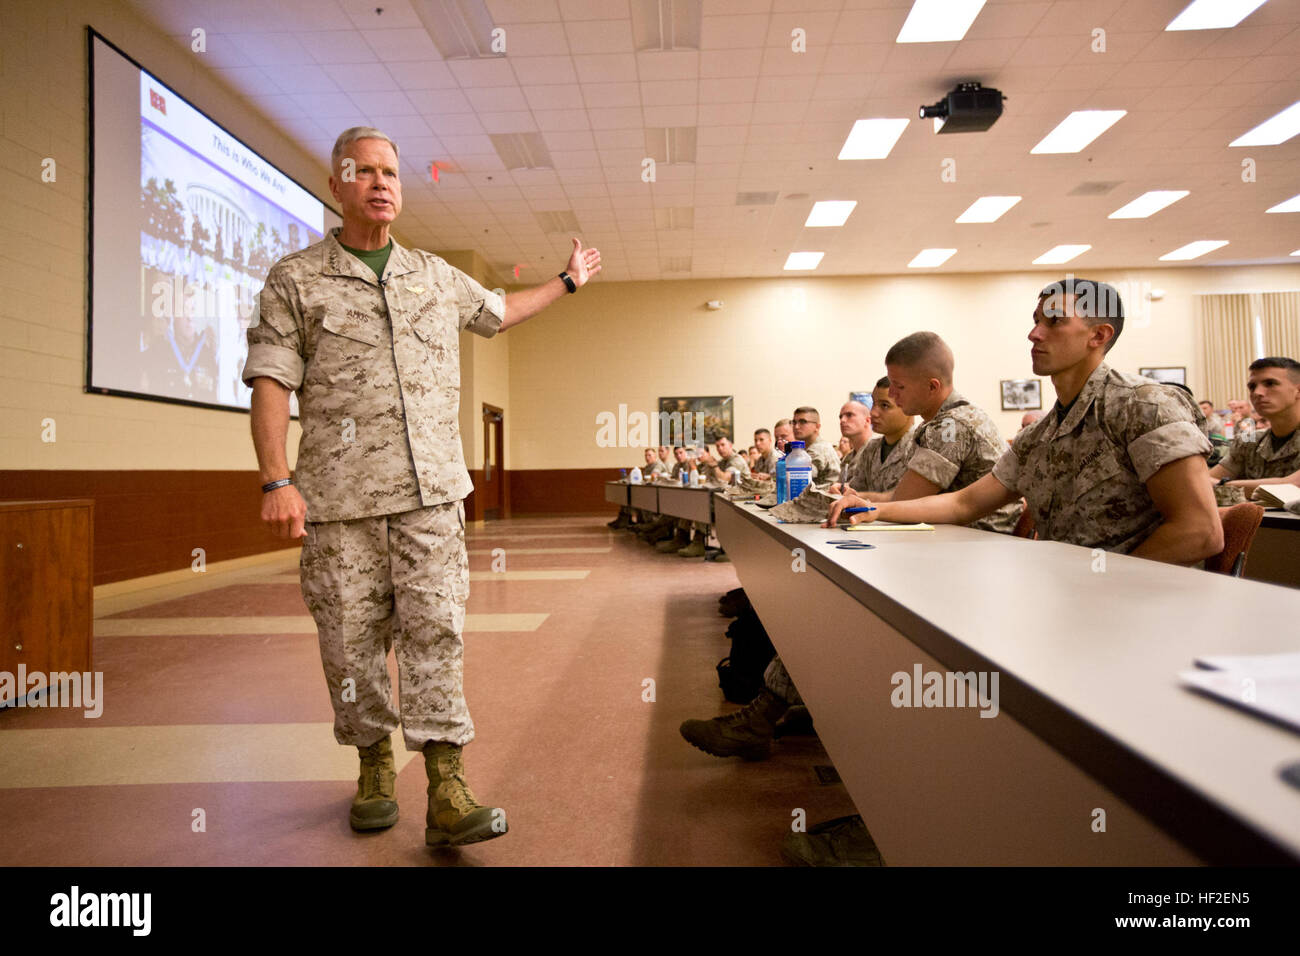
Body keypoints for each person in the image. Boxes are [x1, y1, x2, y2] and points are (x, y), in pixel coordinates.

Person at [243, 126, 602, 849]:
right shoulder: (296, 279)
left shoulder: (435, 276)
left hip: (432, 497)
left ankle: (446, 783)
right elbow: (272, 379)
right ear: (338, 182)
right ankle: (375, 764)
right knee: (350, 644)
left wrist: (566, 283)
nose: (382, 183)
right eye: (366, 171)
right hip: (340, 504)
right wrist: (276, 478)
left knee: (436, 633)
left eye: (392, 173)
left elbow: (499, 313)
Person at [826, 279, 1222, 565]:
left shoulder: (1145, 405)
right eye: (1035, 320)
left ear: (1098, 335)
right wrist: (877, 511)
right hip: (1067, 597)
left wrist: (1104, 586)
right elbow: (965, 503)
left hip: (1140, 608)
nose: (1034, 333)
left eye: (1053, 322)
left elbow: (1200, 531)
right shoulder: (1041, 435)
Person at [851, 332, 1022, 534]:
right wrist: (859, 498)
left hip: (982, 540)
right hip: (963, 537)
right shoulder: (944, 420)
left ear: (932, 386)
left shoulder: (951, 425)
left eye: (899, 386)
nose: (892, 394)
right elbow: (902, 498)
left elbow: (905, 501)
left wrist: (868, 506)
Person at [1207, 357, 1300, 497]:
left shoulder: (1247, 427)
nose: (1257, 392)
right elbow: (1204, 482)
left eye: (1270, 383)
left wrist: (1220, 486)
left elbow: (1291, 487)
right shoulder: (1248, 440)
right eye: (1252, 387)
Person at [836, 377, 917, 494]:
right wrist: (842, 490)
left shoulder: (920, 446)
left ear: (909, 407)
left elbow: (906, 500)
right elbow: (857, 488)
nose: (873, 412)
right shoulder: (871, 448)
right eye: (873, 404)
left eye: (885, 405)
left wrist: (858, 496)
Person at [791, 406, 841, 486]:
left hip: (825, 496)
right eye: (794, 422)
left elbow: (798, 479)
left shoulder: (818, 449)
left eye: (803, 422)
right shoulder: (808, 448)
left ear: (817, 427)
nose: (796, 427)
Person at [830, 401, 871, 493]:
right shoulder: (848, 458)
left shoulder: (876, 450)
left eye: (849, 415)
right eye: (840, 417)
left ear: (867, 420)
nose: (842, 420)